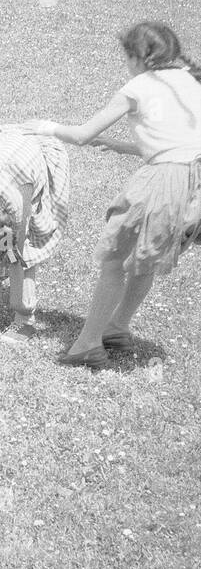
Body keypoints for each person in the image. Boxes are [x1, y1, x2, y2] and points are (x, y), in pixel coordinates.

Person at [21, 22, 201, 368]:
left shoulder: (139, 85)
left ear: (137, 56)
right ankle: (116, 326)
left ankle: (87, 344)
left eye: (127, 57)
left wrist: (45, 127)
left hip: (163, 182)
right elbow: (181, 144)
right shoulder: (190, 81)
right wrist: (122, 146)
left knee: (115, 260)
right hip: (192, 187)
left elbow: (83, 134)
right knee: (144, 257)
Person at [0, 126, 71, 343]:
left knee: (24, 252)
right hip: (2, 154)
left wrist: (17, 301)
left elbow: (14, 256)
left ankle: (24, 320)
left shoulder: (17, 202)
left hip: (27, 162)